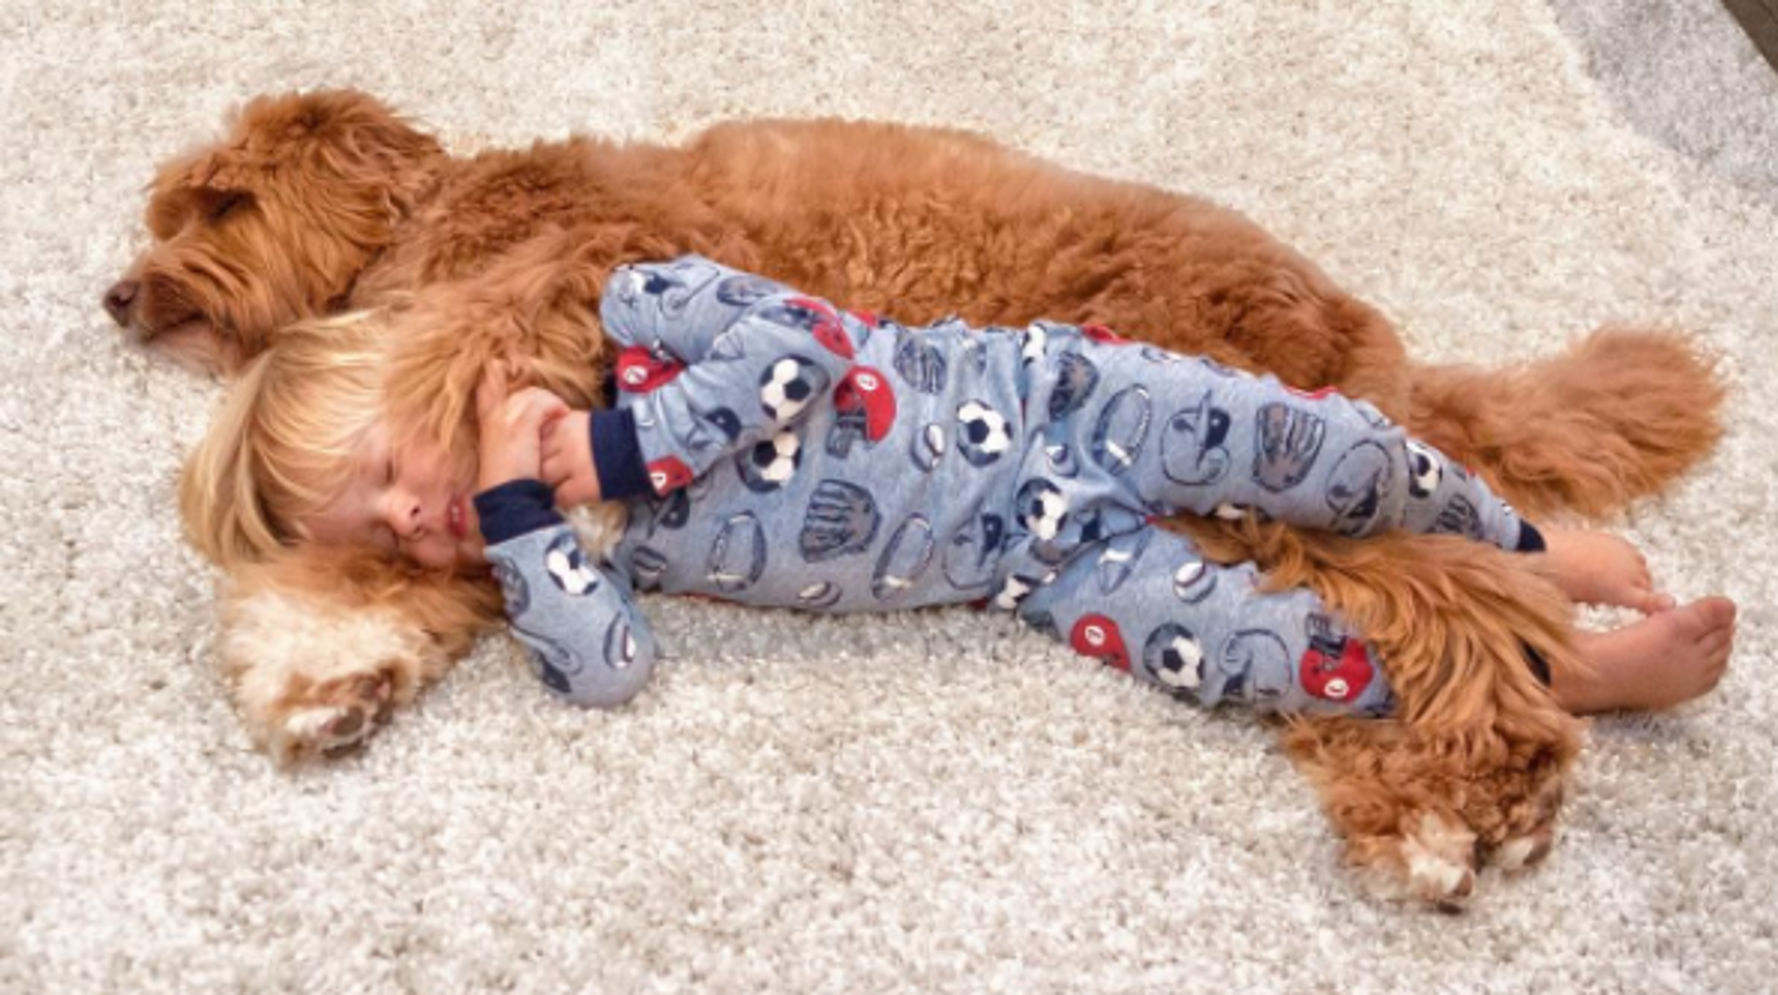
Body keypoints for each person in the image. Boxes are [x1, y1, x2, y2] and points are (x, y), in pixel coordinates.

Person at [182, 256, 1736, 717]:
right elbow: (608, 675)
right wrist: (532, 522)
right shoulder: (567, 556)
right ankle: (1549, 668)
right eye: (375, 531)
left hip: (1053, 392)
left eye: (390, 465)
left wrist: (594, 449)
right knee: (1259, 651)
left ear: (425, 365)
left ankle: (1524, 538)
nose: (409, 516)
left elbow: (805, 343)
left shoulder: (635, 317)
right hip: (1020, 555)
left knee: (1320, 450)